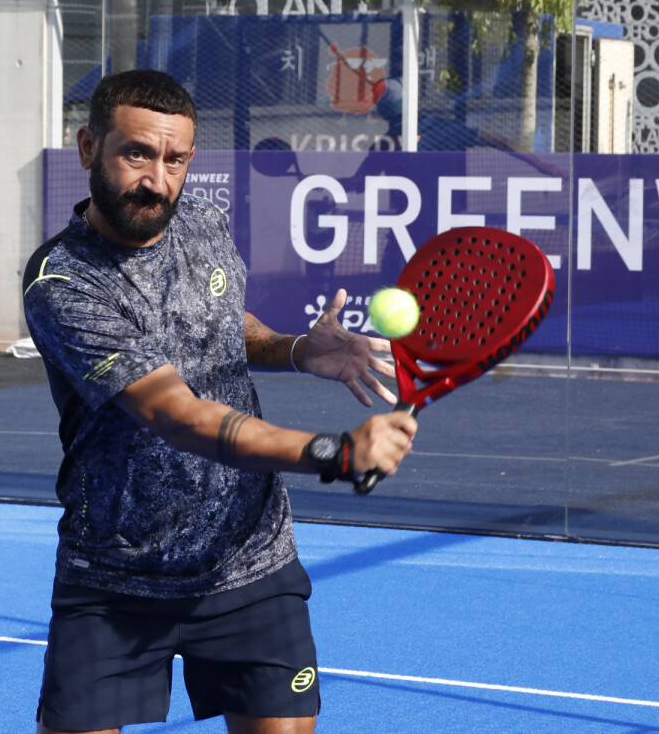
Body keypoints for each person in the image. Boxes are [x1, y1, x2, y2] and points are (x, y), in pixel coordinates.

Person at [22, 69, 417, 734]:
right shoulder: (63, 283)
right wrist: (335, 451)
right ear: (89, 147)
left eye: (175, 159)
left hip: (251, 562)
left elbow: (224, 323)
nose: (157, 179)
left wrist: (295, 349)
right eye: (137, 154)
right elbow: (176, 415)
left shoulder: (205, 223)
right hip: (115, 579)